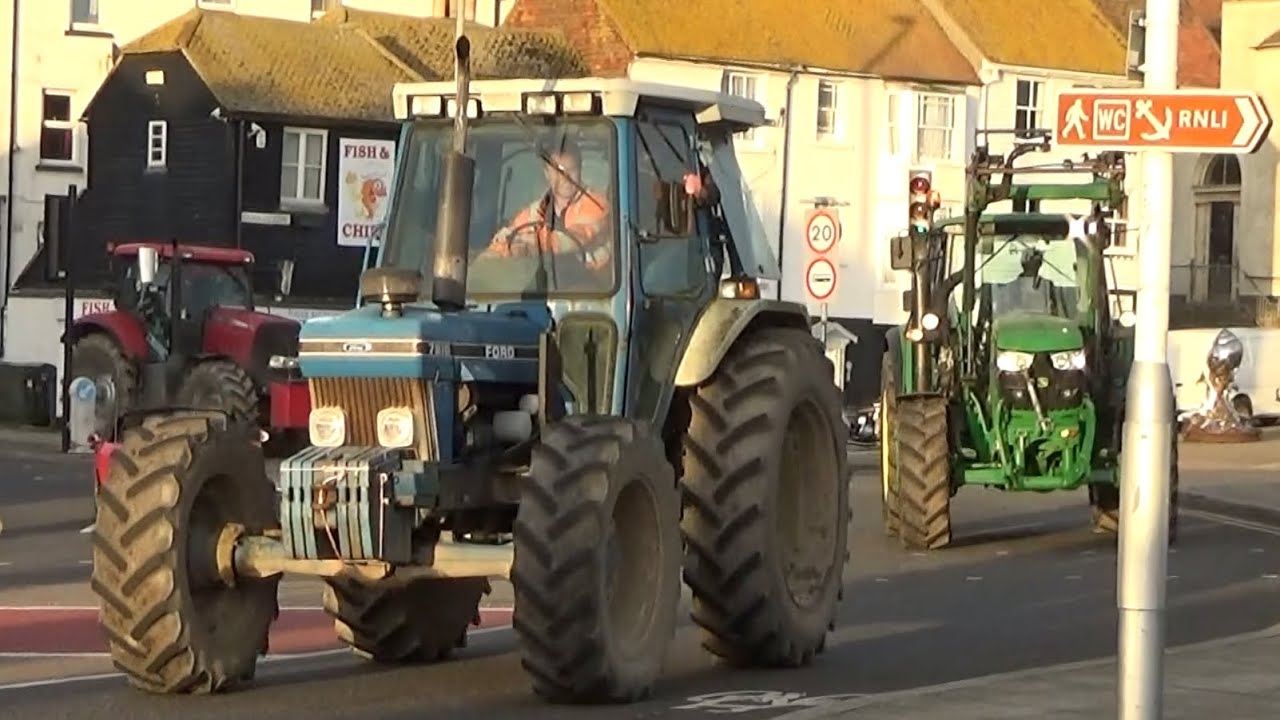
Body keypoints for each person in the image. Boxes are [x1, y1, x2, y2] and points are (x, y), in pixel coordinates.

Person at [481, 140, 613, 272]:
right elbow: (507, 242)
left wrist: (527, 240)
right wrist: (490, 257)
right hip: (547, 284)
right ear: (547, 173)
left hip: (593, 283)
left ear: (580, 169)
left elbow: (574, 238)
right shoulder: (534, 212)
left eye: (572, 170)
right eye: (559, 172)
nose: (566, 178)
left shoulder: (596, 205)